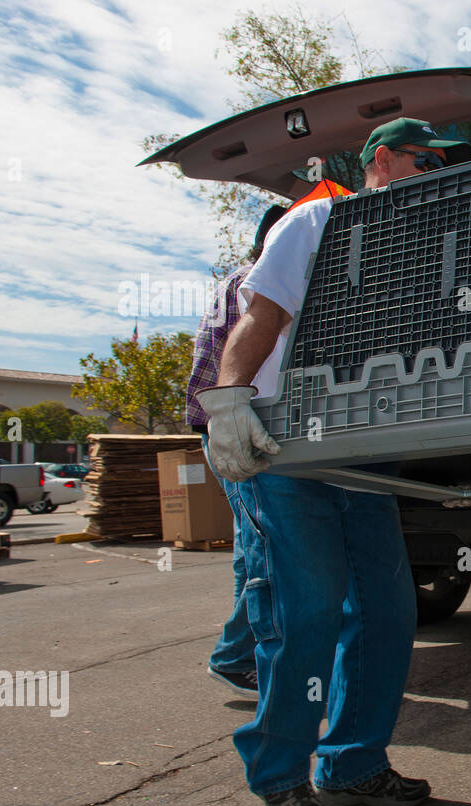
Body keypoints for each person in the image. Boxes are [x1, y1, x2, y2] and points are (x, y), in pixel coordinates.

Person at [198, 118, 471, 806]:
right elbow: (263, 314)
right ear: (378, 161)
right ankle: (282, 775)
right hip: (283, 441)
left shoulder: (430, 251)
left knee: (386, 610)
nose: (433, 172)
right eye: (424, 161)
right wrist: (227, 401)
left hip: (363, 450)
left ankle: (352, 763)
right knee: (309, 607)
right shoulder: (317, 219)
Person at [187, 203, 288, 700]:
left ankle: (243, 656)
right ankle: (234, 656)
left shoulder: (237, 278)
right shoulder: (259, 280)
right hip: (234, 422)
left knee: (250, 548)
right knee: (263, 547)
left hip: (221, 421)